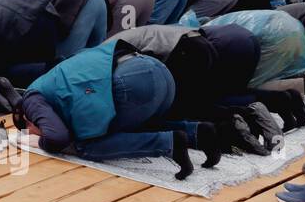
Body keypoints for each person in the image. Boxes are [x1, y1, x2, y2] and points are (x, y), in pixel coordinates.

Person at [15, 42, 219, 179]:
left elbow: (57, 138)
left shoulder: (31, 98)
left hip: (129, 82)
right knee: (129, 127)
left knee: (86, 146)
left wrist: (39, 138)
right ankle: (197, 132)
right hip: (160, 73)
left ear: (26, 117)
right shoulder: (56, 83)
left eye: (29, 126)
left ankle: (170, 143)